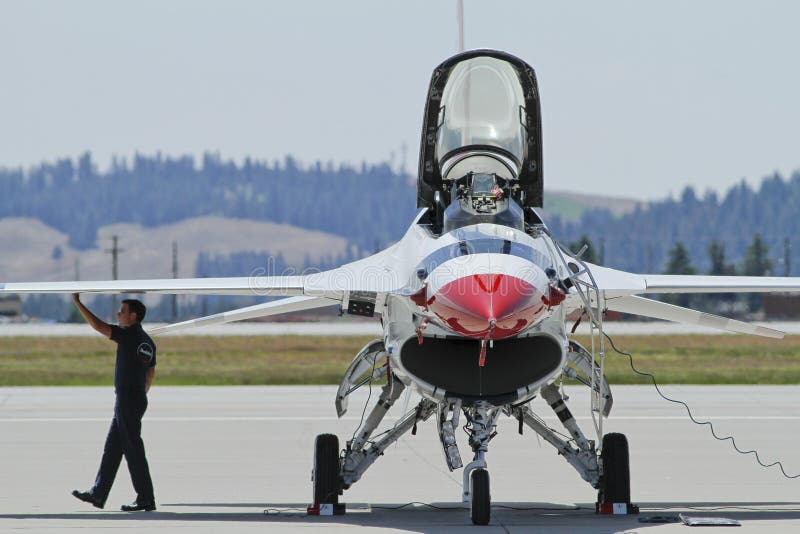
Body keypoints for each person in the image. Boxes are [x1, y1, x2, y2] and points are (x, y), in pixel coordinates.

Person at [70, 294, 157, 512]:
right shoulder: (146, 340)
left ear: (133, 316)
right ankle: (98, 494)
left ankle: (146, 498)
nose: (118, 314)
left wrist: (79, 304)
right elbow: (150, 371)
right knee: (112, 449)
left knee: (133, 450)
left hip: (128, 400)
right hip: (133, 399)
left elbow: (99, 326)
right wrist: (140, 394)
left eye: (122, 311)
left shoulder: (129, 336)